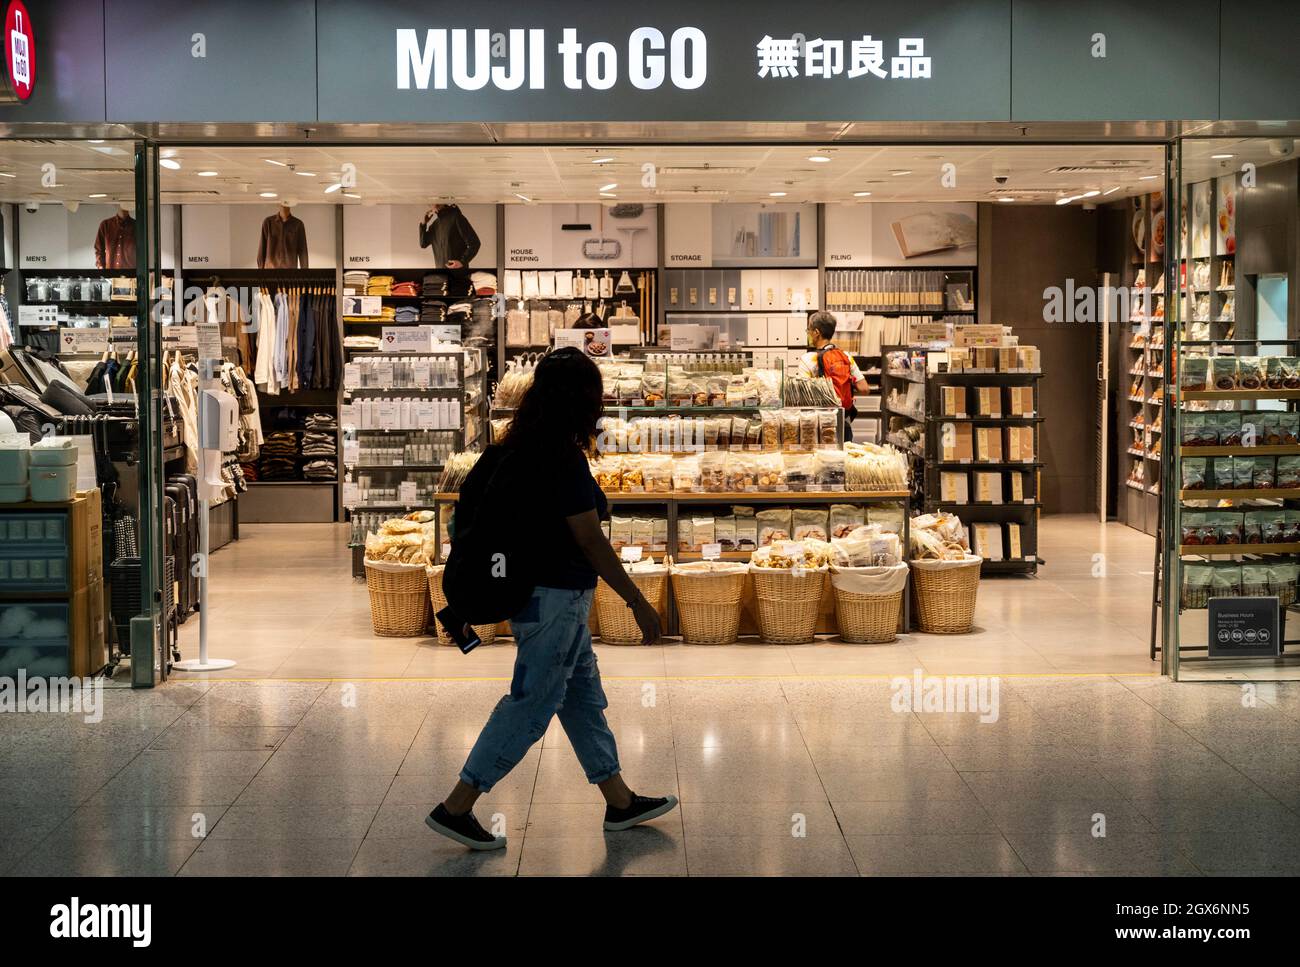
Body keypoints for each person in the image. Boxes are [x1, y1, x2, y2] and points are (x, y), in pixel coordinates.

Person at [426, 347, 677, 851]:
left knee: (582, 698)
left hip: (542, 599)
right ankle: (457, 805)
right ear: (580, 400)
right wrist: (637, 600)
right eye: (596, 394)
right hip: (554, 601)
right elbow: (589, 539)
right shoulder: (560, 457)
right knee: (533, 702)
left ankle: (619, 800)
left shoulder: (518, 446)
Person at [801, 310, 870, 442]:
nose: (808, 333)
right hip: (842, 423)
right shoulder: (846, 356)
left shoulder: (807, 359)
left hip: (818, 426)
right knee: (843, 460)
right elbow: (864, 389)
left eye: (809, 330)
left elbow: (804, 397)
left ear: (816, 332)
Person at [418, 202, 480, 273]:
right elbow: (423, 244)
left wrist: (462, 262)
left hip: (458, 274)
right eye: (431, 202)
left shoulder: (456, 217)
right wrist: (423, 224)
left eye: (438, 200)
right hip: (441, 274)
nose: (435, 203)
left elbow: (475, 243)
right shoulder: (434, 225)